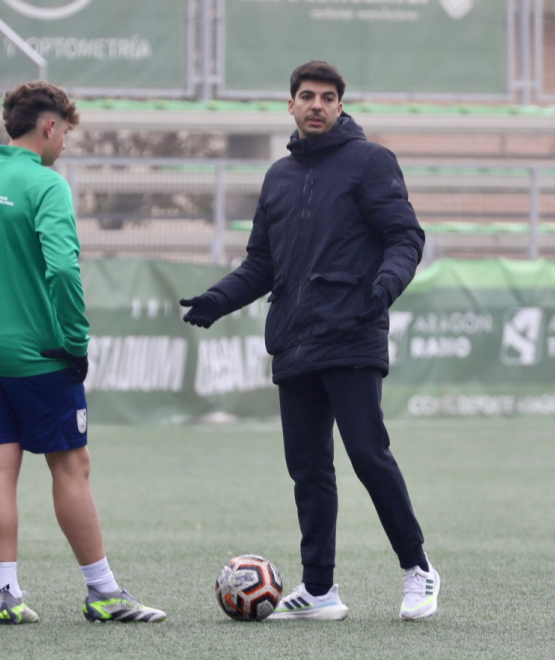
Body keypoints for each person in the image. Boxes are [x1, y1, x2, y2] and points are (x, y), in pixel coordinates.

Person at [180, 61, 439, 621]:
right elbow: (261, 264)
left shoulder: (370, 163)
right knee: (308, 469)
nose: (316, 104)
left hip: (351, 332)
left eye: (327, 97)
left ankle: (418, 569)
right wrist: (217, 300)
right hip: (295, 343)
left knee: (369, 456)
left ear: (341, 106)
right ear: (290, 107)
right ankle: (320, 590)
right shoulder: (278, 177)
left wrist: (385, 286)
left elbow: (405, 237)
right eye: (306, 96)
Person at [0, 80, 165, 625]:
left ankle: (9, 597)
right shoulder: (47, 185)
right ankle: (103, 593)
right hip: (41, 354)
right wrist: (75, 341)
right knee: (71, 466)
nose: (66, 143)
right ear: (49, 125)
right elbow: (62, 269)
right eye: (66, 131)